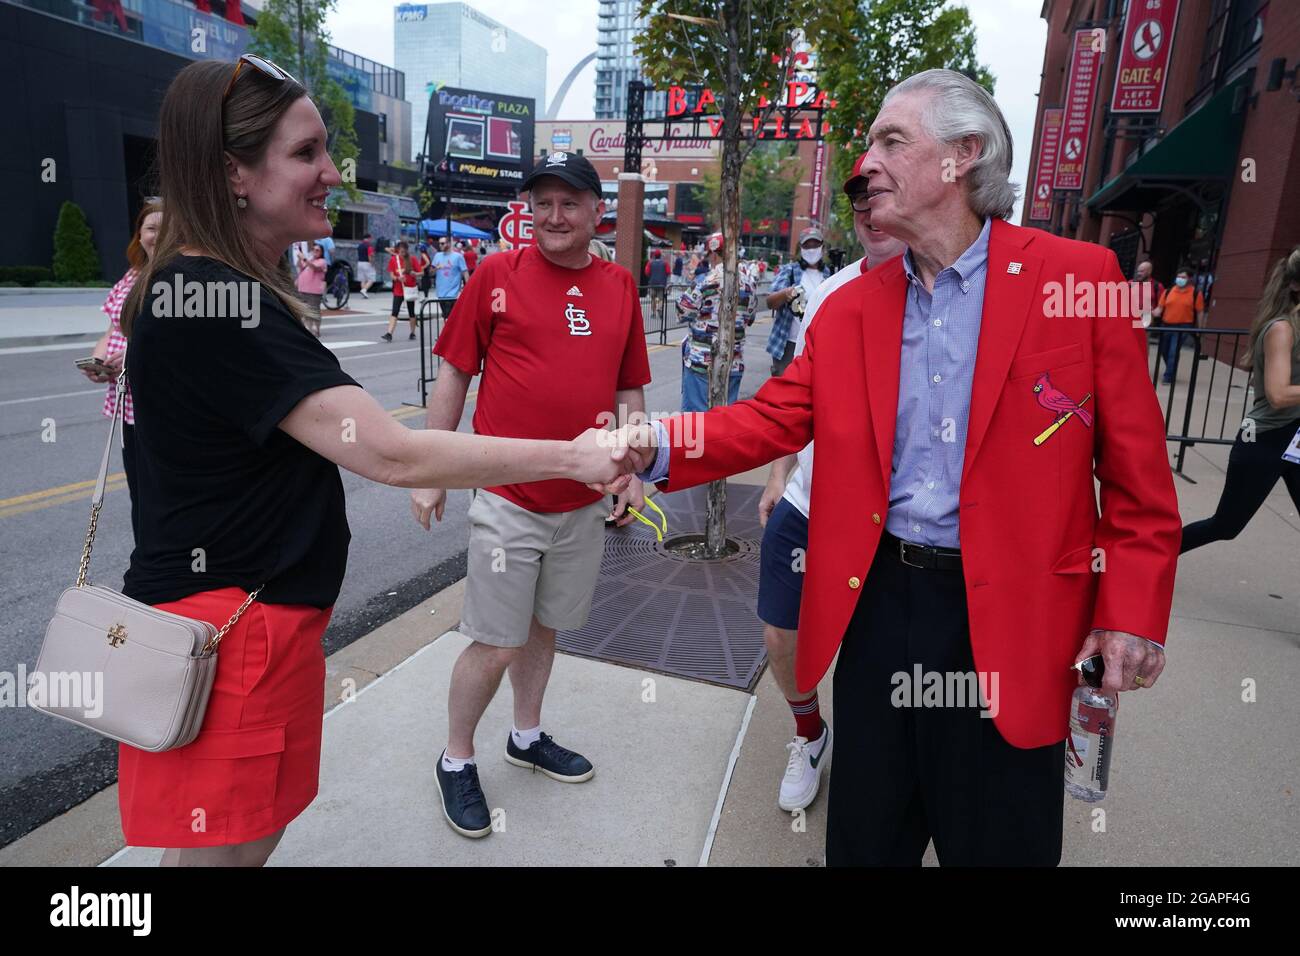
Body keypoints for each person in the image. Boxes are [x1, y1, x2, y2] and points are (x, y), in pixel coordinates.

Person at [609, 68, 1180, 866]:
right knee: (869, 838)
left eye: (891, 141)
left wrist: (1130, 611)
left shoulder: (1079, 281)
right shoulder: (849, 308)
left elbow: (1139, 480)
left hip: (1016, 617)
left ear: (962, 157)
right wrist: (654, 443)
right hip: (879, 605)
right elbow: (771, 418)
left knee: (999, 842)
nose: (863, 163)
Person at [114, 55, 629, 868]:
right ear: (233, 174)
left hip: (256, 624)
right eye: (307, 153)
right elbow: (387, 452)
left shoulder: (223, 285)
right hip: (231, 630)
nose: (331, 172)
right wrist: (574, 454)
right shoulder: (215, 297)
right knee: (226, 850)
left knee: (246, 841)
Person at [410, 151, 651, 840]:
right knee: (495, 640)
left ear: (595, 211)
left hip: (580, 502)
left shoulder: (618, 286)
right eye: (540, 202)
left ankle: (526, 734)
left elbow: (630, 388)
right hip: (508, 499)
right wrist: (431, 468)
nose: (552, 215)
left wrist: (630, 465)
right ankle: (456, 759)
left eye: (568, 202)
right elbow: (455, 374)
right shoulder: (495, 274)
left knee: (545, 628)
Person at [757, 154, 906, 812]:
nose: (869, 213)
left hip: (896, 525)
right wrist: (776, 473)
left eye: (882, 196)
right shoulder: (829, 293)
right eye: (858, 202)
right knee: (780, 636)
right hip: (810, 504)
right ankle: (809, 732)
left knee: (879, 659)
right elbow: (794, 400)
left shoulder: (962, 296)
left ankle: (886, 762)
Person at [1180, 247, 1300, 552]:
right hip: (1265, 440)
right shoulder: (1282, 329)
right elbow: (1278, 393)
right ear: (1295, 285)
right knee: (1226, 526)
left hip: (1295, 440)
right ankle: (1146, 559)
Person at [83, 197, 163, 541]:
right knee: (139, 489)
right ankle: (147, 555)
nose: (157, 236)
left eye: (166, 228)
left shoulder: (179, 279)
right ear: (139, 234)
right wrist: (98, 359)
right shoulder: (131, 276)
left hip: (159, 399)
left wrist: (132, 355)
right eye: (150, 228)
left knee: (162, 488)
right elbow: (112, 330)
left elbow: (176, 336)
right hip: (126, 398)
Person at [677, 231, 756, 412]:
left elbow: (682, 310)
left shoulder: (705, 280)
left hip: (702, 363)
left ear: (713, 254)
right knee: (725, 422)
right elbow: (750, 317)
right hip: (733, 362)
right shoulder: (749, 283)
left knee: (695, 424)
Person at [766, 226, 832, 376]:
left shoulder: (829, 274)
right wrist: (785, 294)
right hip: (789, 343)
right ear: (800, 248)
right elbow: (770, 302)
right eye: (807, 246)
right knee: (783, 390)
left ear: (822, 247)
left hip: (816, 344)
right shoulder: (789, 270)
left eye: (815, 245)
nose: (811, 249)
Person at [1152, 265, 1206, 383]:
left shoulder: (1195, 293)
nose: (1180, 279)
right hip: (1166, 325)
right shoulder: (1168, 291)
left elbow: (1200, 312)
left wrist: (1200, 329)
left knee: (1173, 351)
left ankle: (1168, 376)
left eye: (1183, 277)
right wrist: (1149, 313)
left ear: (1189, 279)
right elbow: (1159, 309)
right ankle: (1171, 368)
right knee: (1164, 350)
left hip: (1183, 326)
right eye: (1178, 276)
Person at [383, 240, 418, 341]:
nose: (402, 253)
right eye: (400, 251)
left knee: (411, 312)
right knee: (395, 311)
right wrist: (398, 278)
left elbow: (421, 272)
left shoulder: (412, 259)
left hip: (409, 288)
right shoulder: (394, 260)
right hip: (398, 290)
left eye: (404, 251)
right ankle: (389, 333)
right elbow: (392, 275)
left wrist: (414, 274)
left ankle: (412, 332)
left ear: (407, 250)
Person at [430, 235, 468, 320]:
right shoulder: (437, 256)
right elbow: (431, 272)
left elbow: (465, 272)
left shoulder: (458, 256)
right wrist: (436, 268)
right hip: (440, 293)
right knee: (446, 317)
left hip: (452, 294)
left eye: (443, 243)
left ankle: (450, 333)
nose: (440, 245)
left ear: (449, 244)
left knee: (449, 318)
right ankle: (449, 333)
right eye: (439, 244)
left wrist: (467, 288)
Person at [294, 241, 326, 337]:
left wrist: (304, 258)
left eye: (317, 250)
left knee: (314, 310)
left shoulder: (322, 261)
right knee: (305, 311)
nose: (315, 251)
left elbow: (315, 268)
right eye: (313, 249)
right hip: (303, 289)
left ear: (321, 252)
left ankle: (316, 329)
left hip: (314, 291)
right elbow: (301, 266)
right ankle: (309, 330)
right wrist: (300, 259)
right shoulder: (310, 259)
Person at [1131, 259, 1163, 329]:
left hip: (1146, 319)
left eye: (1142, 271)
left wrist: (1154, 311)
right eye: (1138, 271)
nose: (1138, 273)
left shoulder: (1157, 286)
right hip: (1130, 318)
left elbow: (1161, 305)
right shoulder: (1130, 284)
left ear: (1149, 272)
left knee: (1142, 339)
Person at [644, 248, 669, 312]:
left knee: (653, 299)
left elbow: (647, 272)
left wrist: (651, 276)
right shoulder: (665, 263)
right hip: (661, 284)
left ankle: (653, 313)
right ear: (660, 255)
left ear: (654, 255)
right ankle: (659, 308)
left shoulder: (650, 263)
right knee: (661, 299)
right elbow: (668, 272)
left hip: (652, 283)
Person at [355, 232, 376, 298]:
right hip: (367, 263)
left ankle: (364, 293)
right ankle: (364, 290)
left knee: (363, 279)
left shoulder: (359, 246)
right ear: (369, 238)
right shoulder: (369, 246)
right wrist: (372, 264)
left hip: (359, 263)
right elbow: (370, 255)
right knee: (372, 279)